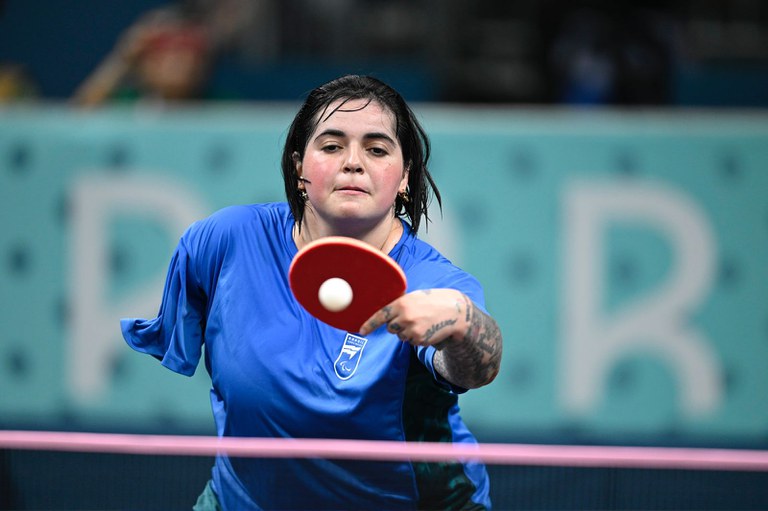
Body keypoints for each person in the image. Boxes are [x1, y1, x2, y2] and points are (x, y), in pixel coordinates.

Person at [121, 74, 503, 510]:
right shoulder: (223, 242)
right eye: (332, 145)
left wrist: (461, 323)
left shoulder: (431, 283)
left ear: (404, 178)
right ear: (299, 166)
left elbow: (477, 369)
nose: (353, 162)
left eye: (377, 149)